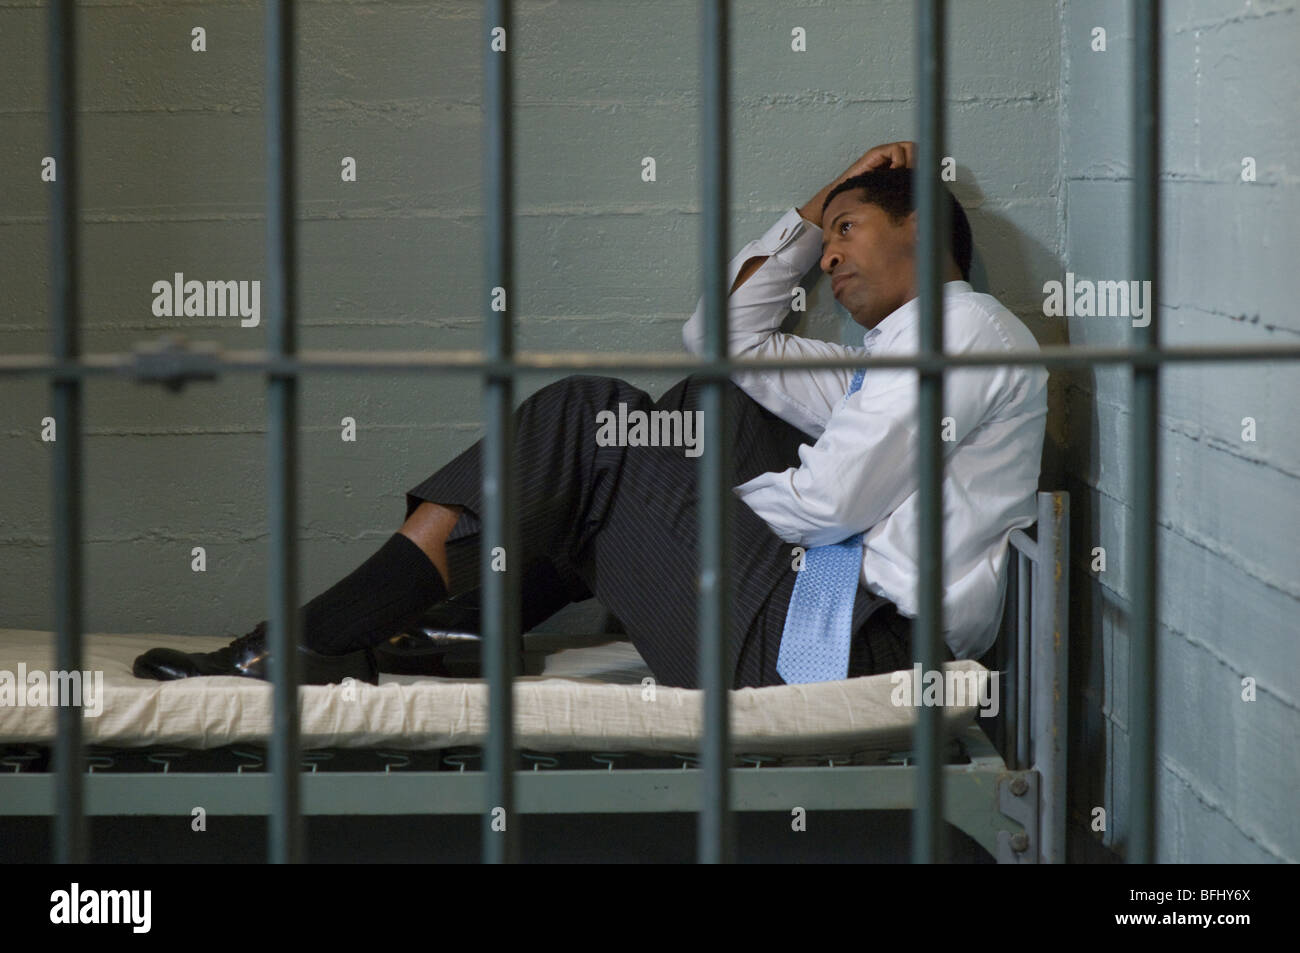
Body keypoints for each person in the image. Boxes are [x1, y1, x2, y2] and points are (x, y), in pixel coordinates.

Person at [133, 140, 1047, 691]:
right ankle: (459, 627)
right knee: (708, 404)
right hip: (819, 619)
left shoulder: (963, 328)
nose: (831, 259)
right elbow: (720, 337)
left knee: (587, 424)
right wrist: (824, 197)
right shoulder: (881, 360)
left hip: (849, 646)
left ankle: (311, 642)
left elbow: (837, 499)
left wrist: (662, 505)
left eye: (847, 232)